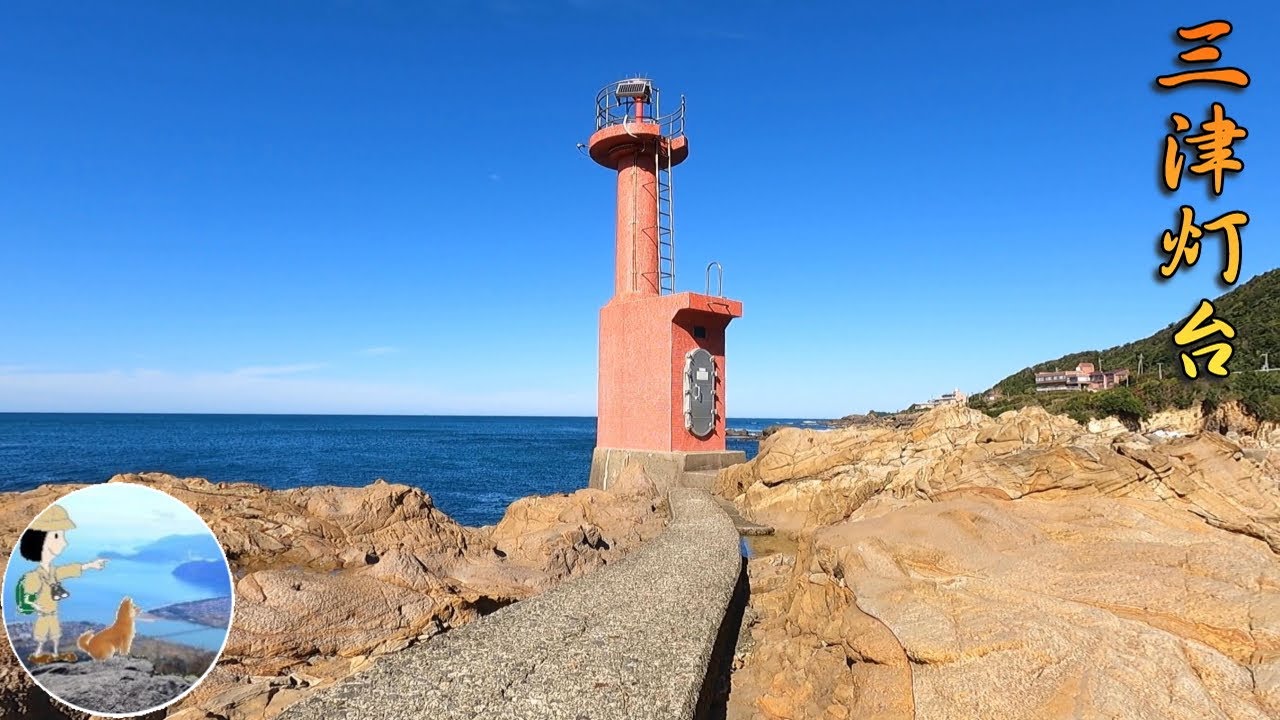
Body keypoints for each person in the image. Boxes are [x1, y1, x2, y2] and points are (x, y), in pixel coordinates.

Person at [16, 504, 108, 664]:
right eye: (57, 536)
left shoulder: (53, 571)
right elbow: (27, 595)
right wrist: (35, 606)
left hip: (53, 612)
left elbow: (67, 570)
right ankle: (39, 653)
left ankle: (55, 653)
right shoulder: (35, 575)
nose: (64, 542)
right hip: (44, 614)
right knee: (42, 634)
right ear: (40, 540)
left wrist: (90, 565)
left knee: (56, 634)